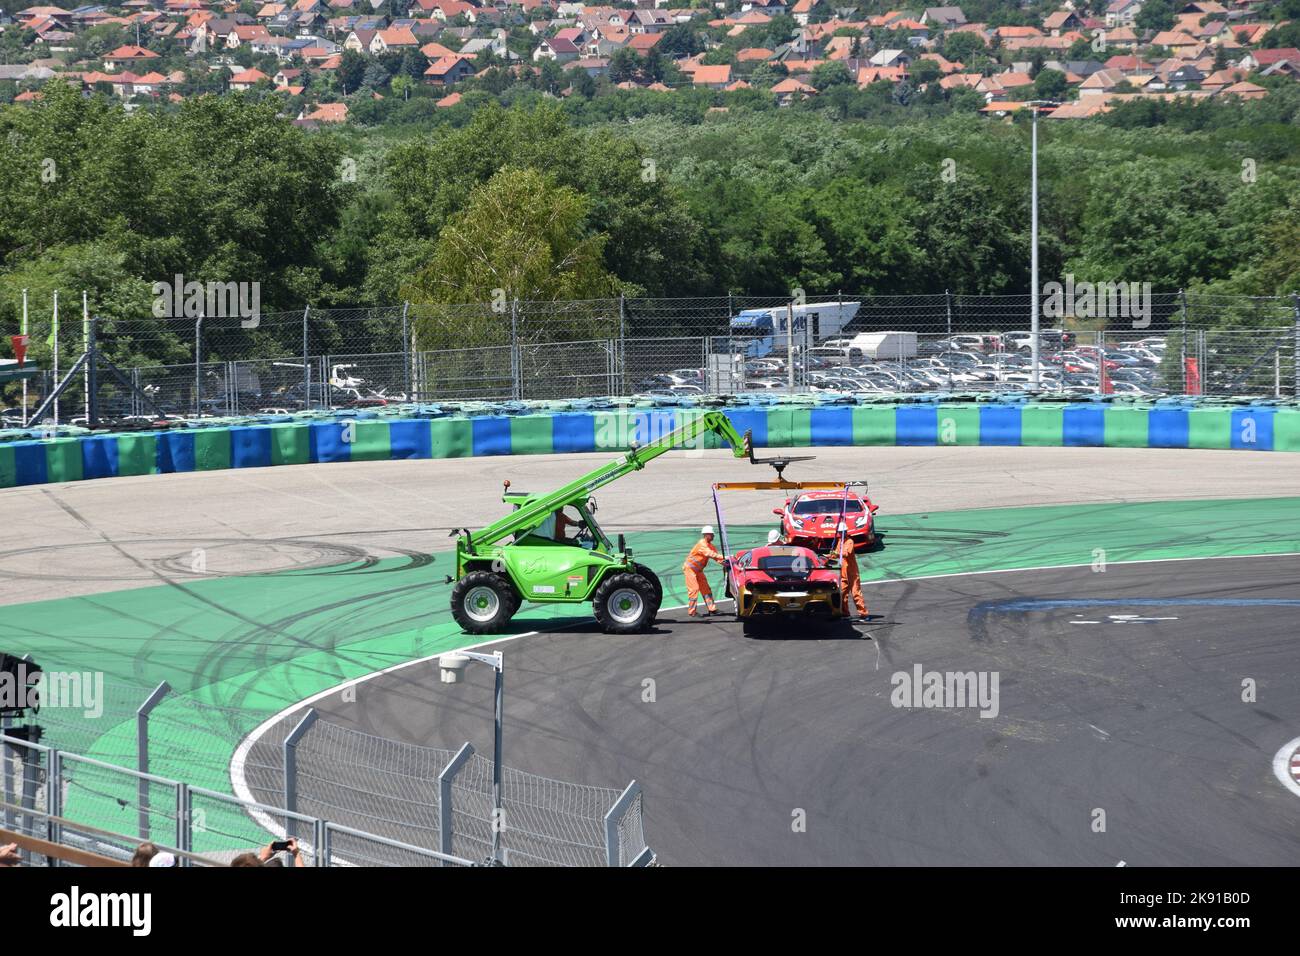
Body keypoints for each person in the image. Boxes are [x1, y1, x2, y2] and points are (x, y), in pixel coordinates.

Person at [683, 524, 723, 616]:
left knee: (706, 589)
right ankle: (692, 612)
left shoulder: (710, 546)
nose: (713, 536)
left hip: (698, 571)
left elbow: (717, 558)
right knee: (694, 589)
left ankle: (712, 609)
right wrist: (724, 557)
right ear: (706, 535)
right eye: (712, 534)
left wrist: (727, 562)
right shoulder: (702, 544)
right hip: (690, 569)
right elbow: (710, 554)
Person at [836, 522, 868, 619]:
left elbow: (846, 553)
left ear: (845, 532)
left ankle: (863, 613)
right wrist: (830, 555)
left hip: (852, 572)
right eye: (839, 532)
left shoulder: (849, 541)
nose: (840, 534)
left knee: (856, 593)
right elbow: (837, 553)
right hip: (843, 572)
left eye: (842, 532)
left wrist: (838, 553)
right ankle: (845, 613)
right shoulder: (839, 542)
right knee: (842, 593)